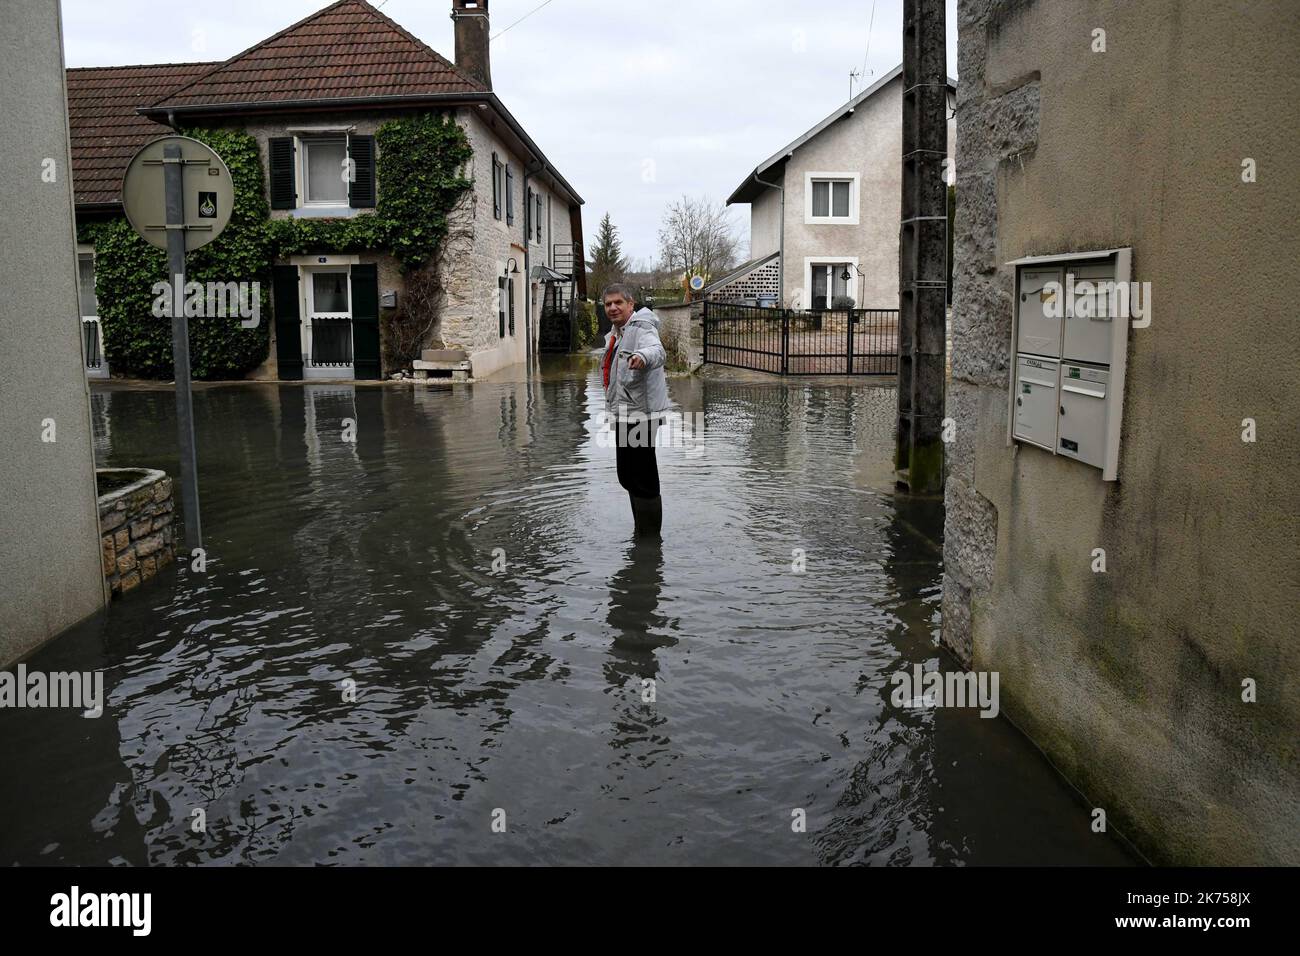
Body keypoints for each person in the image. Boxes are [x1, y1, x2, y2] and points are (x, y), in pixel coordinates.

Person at [600, 283, 668, 535]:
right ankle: (641, 530)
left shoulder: (642, 327)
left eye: (618, 302)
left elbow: (656, 350)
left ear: (631, 304)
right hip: (624, 414)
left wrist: (643, 356)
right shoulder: (616, 334)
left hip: (641, 415)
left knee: (642, 478)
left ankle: (649, 541)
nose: (613, 307)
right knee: (627, 475)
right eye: (608, 304)